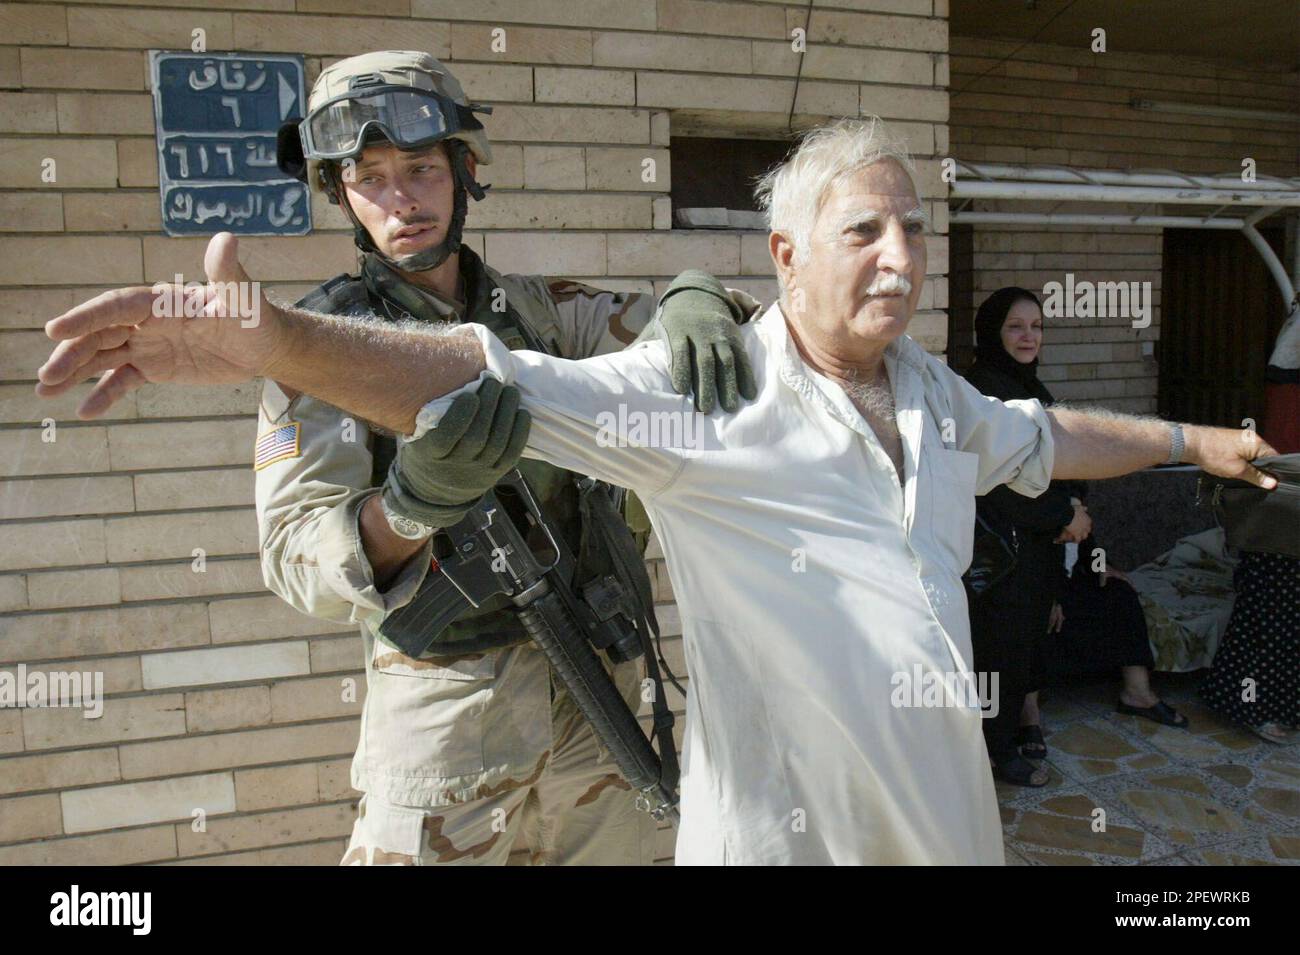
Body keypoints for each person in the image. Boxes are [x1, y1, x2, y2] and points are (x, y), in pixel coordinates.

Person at [35, 117, 1280, 865]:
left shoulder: (929, 390)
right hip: (647, 791)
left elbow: (1043, 433)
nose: (901, 257)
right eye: (863, 233)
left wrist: (1193, 439)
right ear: (788, 255)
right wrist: (283, 346)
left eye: (913, 228)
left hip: (893, 804)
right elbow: (484, 377)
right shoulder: (702, 395)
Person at [269, 51, 759, 866]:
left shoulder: (536, 313)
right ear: (341, 194)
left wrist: (700, 294)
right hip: (445, 721)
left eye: (422, 168)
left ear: (465, 171)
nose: (401, 200)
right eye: (369, 176)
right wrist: (410, 508)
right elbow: (293, 558)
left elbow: (679, 344)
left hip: (593, 689)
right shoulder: (323, 351)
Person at [963, 288, 1186, 788]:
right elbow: (993, 481)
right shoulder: (982, 391)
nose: (1027, 336)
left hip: (1036, 552)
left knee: (1020, 650)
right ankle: (993, 756)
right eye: (1015, 326)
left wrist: (1081, 531)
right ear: (992, 332)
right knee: (997, 655)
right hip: (1001, 555)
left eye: (1036, 326)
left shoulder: (1028, 388)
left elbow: (1061, 464)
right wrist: (1061, 512)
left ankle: (1005, 742)